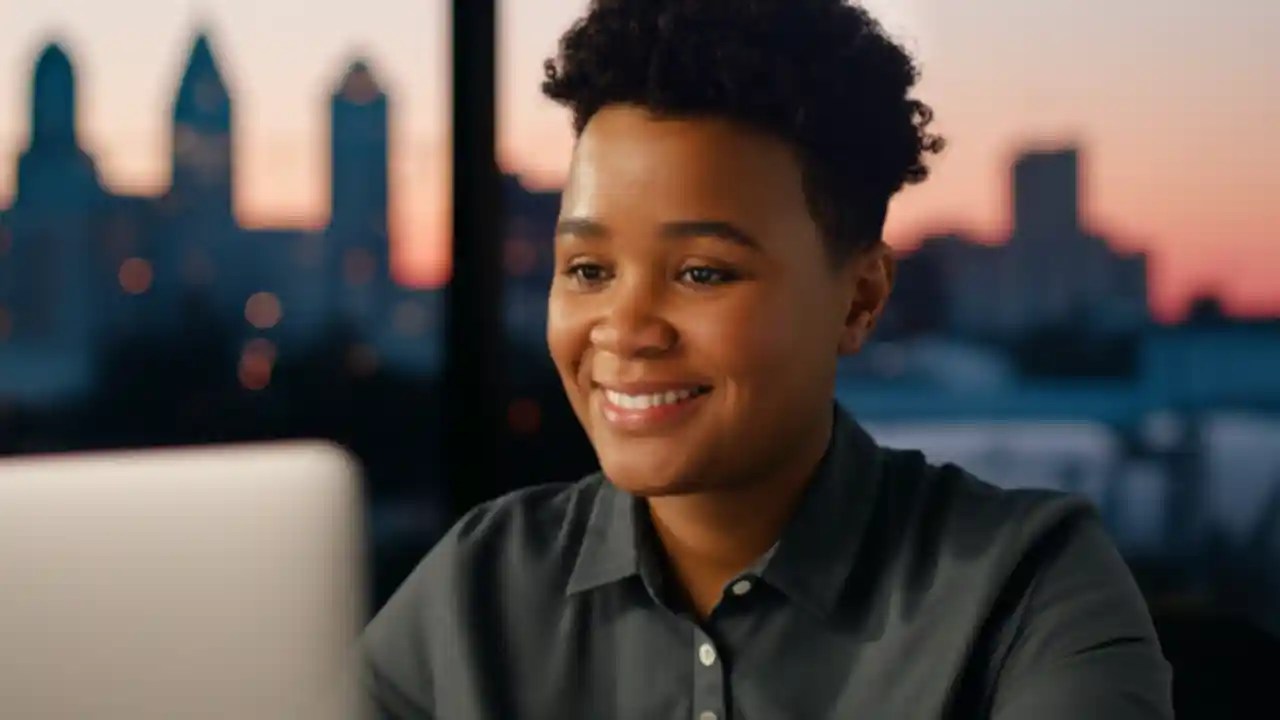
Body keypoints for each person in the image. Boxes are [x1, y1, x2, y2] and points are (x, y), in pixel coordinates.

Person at [360, 1, 1174, 717]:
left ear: (859, 300)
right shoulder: (478, 587)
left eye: (702, 273)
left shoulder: (1023, 586)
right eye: (588, 271)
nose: (626, 328)